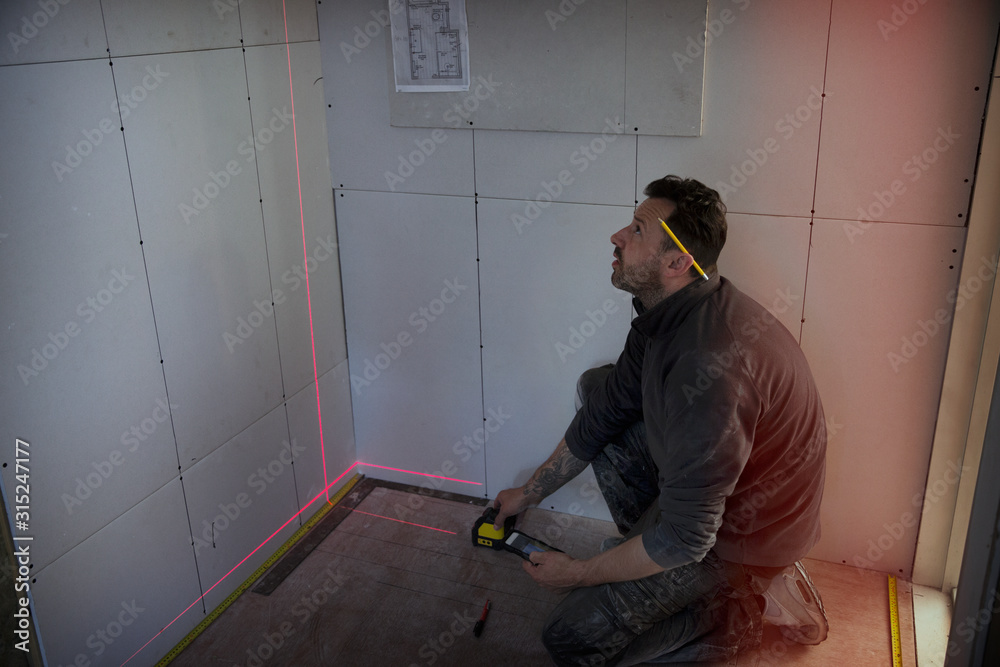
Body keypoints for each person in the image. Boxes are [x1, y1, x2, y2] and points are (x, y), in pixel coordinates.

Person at [492, 175, 829, 665]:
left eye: (636, 230)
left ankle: (743, 609)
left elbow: (689, 537)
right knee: (596, 388)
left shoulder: (709, 366)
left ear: (676, 263)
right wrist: (528, 493)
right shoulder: (666, 313)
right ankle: (655, 560)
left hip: (738, 537)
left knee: (571, 639)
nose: (616, 236)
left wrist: (582, 572)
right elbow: (603, 414)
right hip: (710, 497)